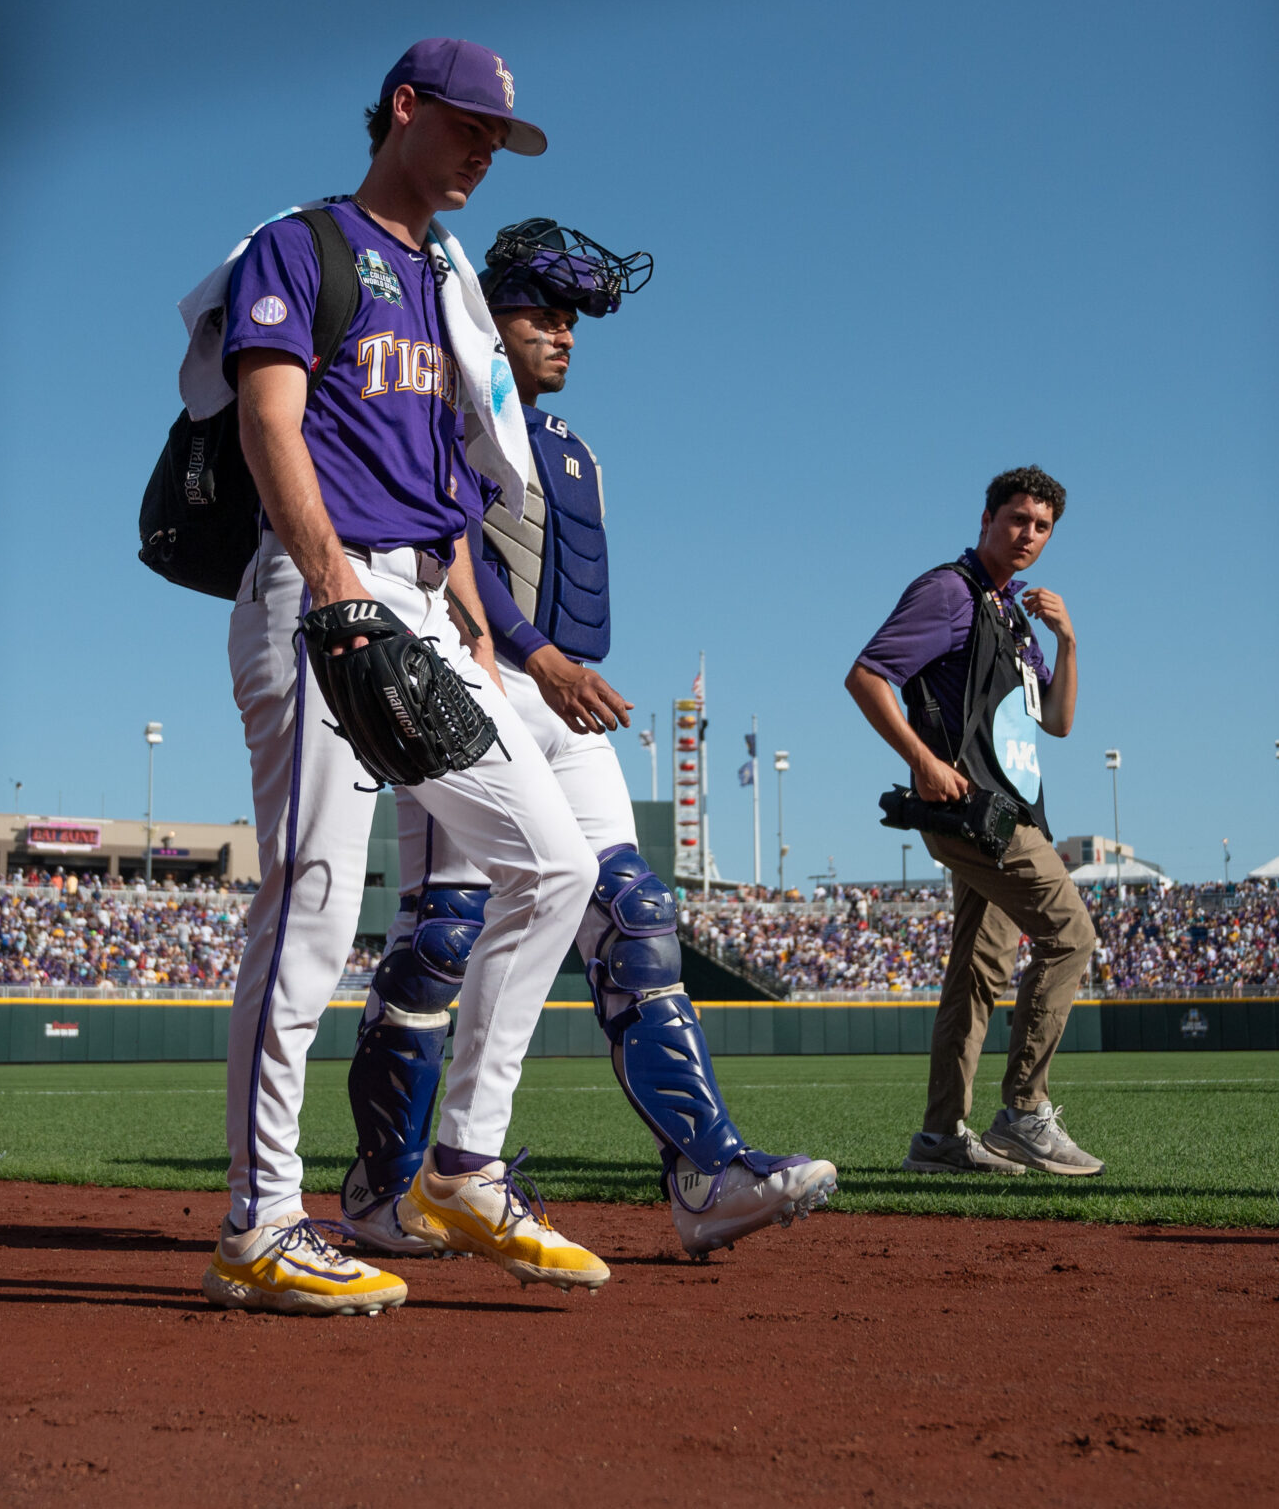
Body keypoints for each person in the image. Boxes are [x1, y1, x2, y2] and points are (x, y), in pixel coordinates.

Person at [194, 39, 607, 1317]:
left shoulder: (451, 282)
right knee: (312, 904)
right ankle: (261, 1221)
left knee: (557, 864)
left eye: (505, 136)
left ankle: (464, 1165)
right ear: (406, 109)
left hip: (431, 603)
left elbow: (452, 481)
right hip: (321, 591)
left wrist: (473, 616)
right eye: (472, 124)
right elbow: (270, 419)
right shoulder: (304, 243)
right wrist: (330, 583)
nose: (487, 148)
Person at [338, 219, 838, 1263]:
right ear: (486, 318)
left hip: (561, 707)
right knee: (441, 939)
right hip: (466, 689)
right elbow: (442, 554)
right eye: (540, 313)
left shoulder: (569, 446)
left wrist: (560, 670)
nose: (564, 333)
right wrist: (530, 659)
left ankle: (707, 1173)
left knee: (639, 916)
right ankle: (384, 1193)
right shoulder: (442, 416)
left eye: (573, 320)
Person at [844, 466, 1104, 1177]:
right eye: (1017, 518)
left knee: (976, 972)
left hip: (1010, 809)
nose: (1028, 535)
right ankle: (1025, 1112)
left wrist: (1069, 641)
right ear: (986, 517)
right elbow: (867, 675)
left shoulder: (1014, 615)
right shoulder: (950, 593)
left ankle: (939, 1136)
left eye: (1042, 526)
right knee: (1071, 933)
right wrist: (922, 760)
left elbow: (1058, 721)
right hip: (972, 811)